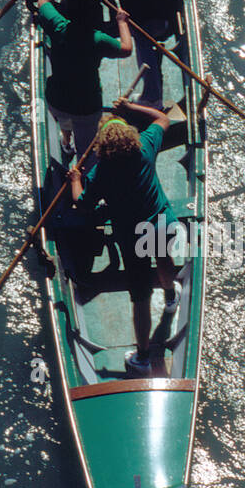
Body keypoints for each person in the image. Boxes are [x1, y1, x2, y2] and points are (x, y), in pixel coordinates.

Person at [69, 99, 182, 375]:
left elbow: (82, 204)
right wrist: (131, 107)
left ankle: (142, 357)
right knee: (164, 257)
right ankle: (170, 297)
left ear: (103, 147)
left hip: (133, 239)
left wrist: (74, 179)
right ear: (130, 135)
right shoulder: (145, 146)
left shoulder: (100, 172)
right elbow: (163, 119)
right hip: (160, 223)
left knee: (140, 297)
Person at [32, 0, 132, 162]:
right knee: (86, 150)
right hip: (87, 106)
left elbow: (43, 1)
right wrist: (122, 23)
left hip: (57, 99)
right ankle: (83, 174)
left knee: (65, 123)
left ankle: (66, 142)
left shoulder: (58, 26)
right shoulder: (97, 39)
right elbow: (126, 49)